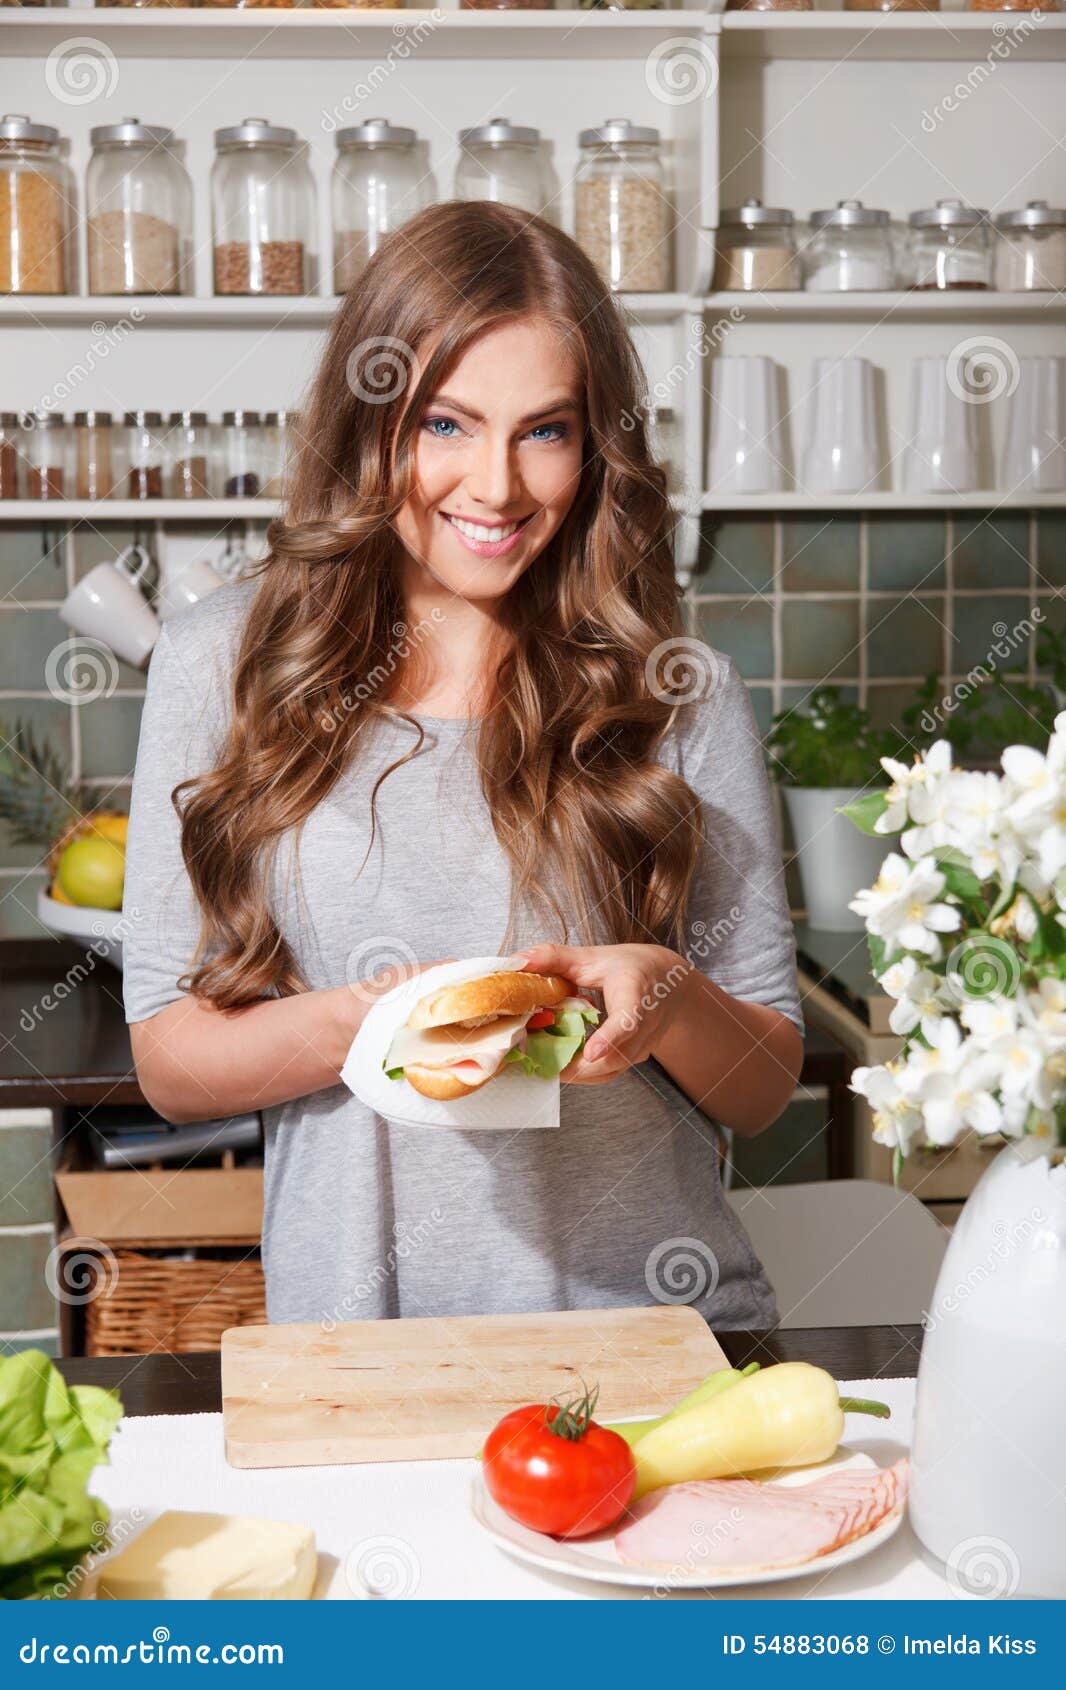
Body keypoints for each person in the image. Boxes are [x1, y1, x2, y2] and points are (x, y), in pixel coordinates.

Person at [122, 201, 803, 1331]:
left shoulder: (674, 691)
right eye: (445, 424)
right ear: (369, 423)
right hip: (357, 1343)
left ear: (594, 448)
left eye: (544, 430)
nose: (495, 486)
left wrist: (663, 995)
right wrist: (396, 1025)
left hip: (645, 1333)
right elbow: (169, 1056)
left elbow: (764, 1080)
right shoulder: (222, 667)